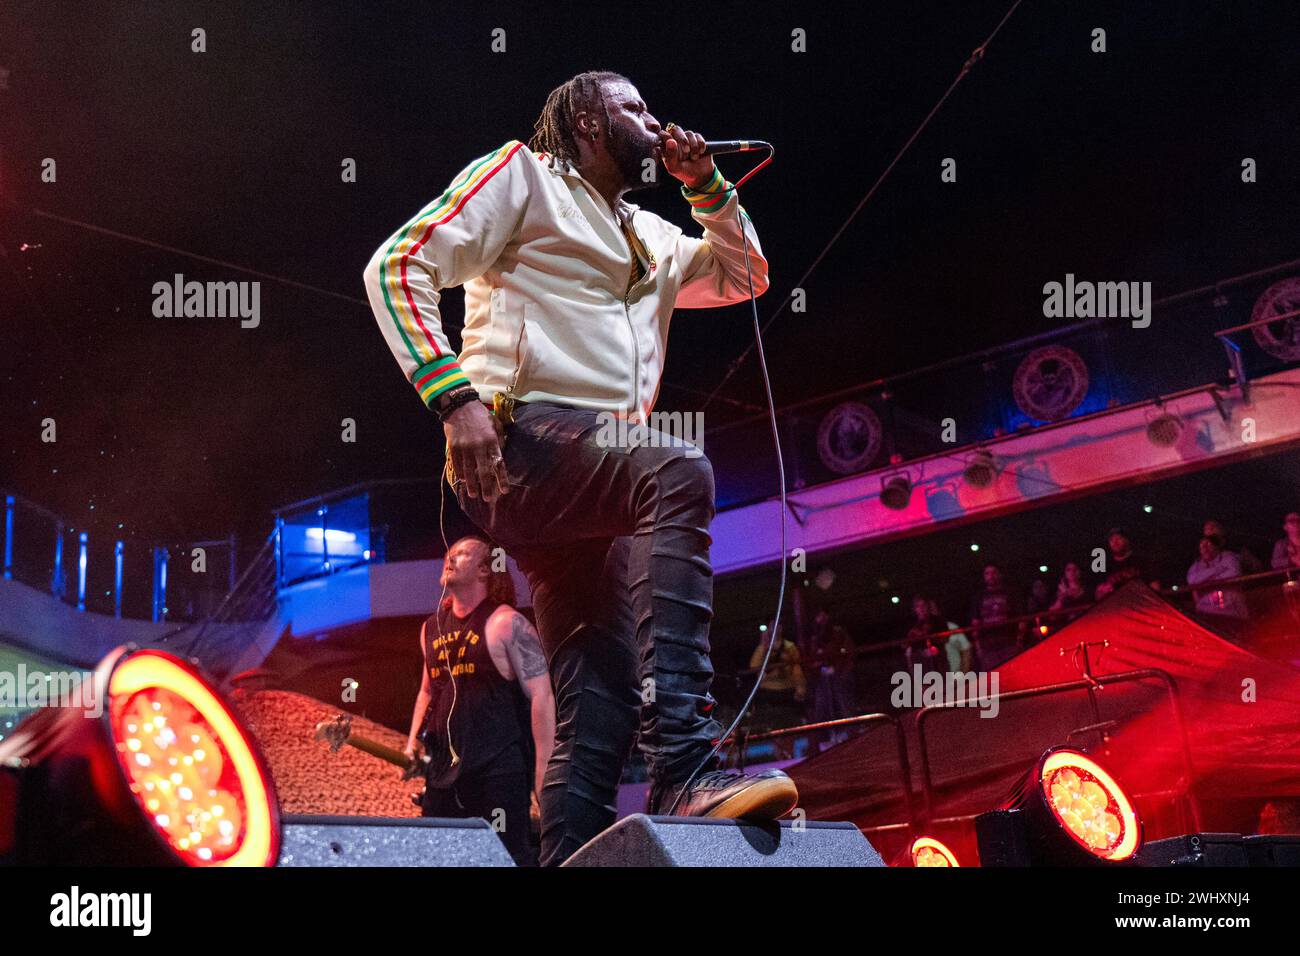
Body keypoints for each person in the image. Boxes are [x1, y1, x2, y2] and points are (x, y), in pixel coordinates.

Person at [365, 70, 792, 866]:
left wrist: (706, 186)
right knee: (678, 469)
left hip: (592, 477)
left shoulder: (653, 233)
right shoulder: (521, 175)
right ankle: (685, 763)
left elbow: (746, 276)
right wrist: (451, 399)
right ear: (590, 122)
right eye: (634, 106)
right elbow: (396, 267)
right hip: (517, 441)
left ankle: (569, 856)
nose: (654, 117)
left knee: (596, 707)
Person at [404, 536, 554, 866]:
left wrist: (545, 769)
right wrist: (413, 739)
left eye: (460, 554)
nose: (450, 558)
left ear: (485, 569)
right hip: (444, 769)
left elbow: (542, 694)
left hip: (497, 769)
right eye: (448, 554)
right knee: (439, 859)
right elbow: (428, 690)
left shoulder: (506, 623)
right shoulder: (430, 628)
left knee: (501, 858)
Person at [806, 609, 857, 727]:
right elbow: (812, 657)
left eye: (823, 615)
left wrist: (837, 668)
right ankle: (826, 734)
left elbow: (848, 651)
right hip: (822, 677)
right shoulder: (815, 637)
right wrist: (818, 667)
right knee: (822, 705)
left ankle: (853, 729)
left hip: (840, 674)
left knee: (845, 703)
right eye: (818, 616)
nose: (821, 618)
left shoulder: (839, 632)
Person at [748, 628, 807, 730]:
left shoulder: (790, 646)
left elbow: (796, 667)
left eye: (779, 625)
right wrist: (763, 646)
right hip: (768, 693)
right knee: (773, 727)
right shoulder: (763, 647)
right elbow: (754, 666)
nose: (776, 629)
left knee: (790, 725)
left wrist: (800, 687)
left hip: (787, 692)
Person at [969, 564, 1023, 669]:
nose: (991, 576)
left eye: (993, 572)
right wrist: (978, 647)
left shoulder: (1009, 593)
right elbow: (975, 623)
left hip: (1008, 642)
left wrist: (1019, 641)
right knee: (993, 678)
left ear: (999, 574)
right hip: (988, 645)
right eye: (987, 573)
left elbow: (1020, 618)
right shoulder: (979, 597)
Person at [1186, 535, 1248, 620]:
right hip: (1207, 613)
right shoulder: (1196, 565)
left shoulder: (1228, 557)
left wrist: (1206, 580)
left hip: (1232, 612)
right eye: (1202, 546)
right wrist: (1217, 570)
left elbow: (1234, 573)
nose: (1205, 548)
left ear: (1216, 546)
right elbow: (1192, 580)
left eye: (1208, 544)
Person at [906, 597, 971, 674]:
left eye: (923, 606)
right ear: (915, 609)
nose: (921, 609)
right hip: (923, 667)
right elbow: (908, 648)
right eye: (918, 606)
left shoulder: (941, 622)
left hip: (940, 664)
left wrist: (928, 637)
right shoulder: (914, 627)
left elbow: (946, 640)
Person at [1094, 528, 1149, 600]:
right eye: (1111, 540)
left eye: (1118, 538)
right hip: (1116, 607)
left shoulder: (1142, 561)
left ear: (1127, 540)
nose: (1115, 542)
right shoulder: (1104, 566)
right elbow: (1098, 595)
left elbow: (1154, 587)